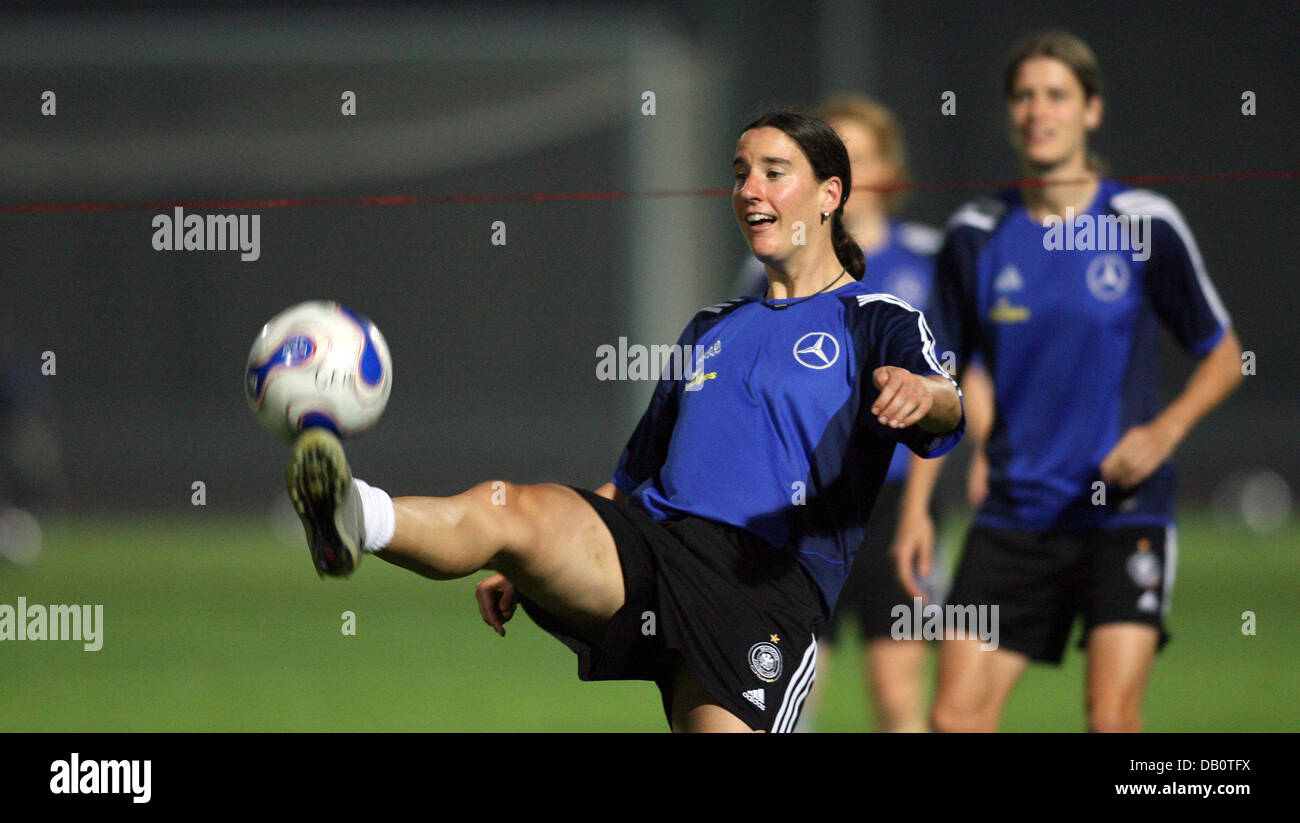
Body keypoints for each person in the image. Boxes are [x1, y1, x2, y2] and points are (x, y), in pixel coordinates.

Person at [285, 110, 963, 732]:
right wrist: (524, 555)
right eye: (739, 174)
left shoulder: (876, 319)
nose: (749, 189)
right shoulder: (711, 327)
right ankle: (352, 513)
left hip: (762, 590)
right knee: (507, 507)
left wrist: (920, 392)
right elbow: (633, 474)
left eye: (773, 173)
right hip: (655, 547)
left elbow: (947, 405)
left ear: (829, 194)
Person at [893, 31, 1243, 732]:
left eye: (1056, 94)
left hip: (1123, 515)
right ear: (1009, 114)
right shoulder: (977, 233)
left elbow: (1224, 352)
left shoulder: (1142, 223)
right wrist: (917, 510)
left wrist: (1164, 429)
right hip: (1014, 516)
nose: (1037, 110)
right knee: (952, 718)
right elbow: (940, 380)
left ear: (1091, 110)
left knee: (1110, 718)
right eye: (1023, 96)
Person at [734, 95, 973, 733]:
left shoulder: (928, 260)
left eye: (861, 157)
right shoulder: (775, 265)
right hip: (801, 507)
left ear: (887, 171)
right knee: (785, 699)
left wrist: (922, 509)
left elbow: (948, 391)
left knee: (898, 700)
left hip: (893, 505)